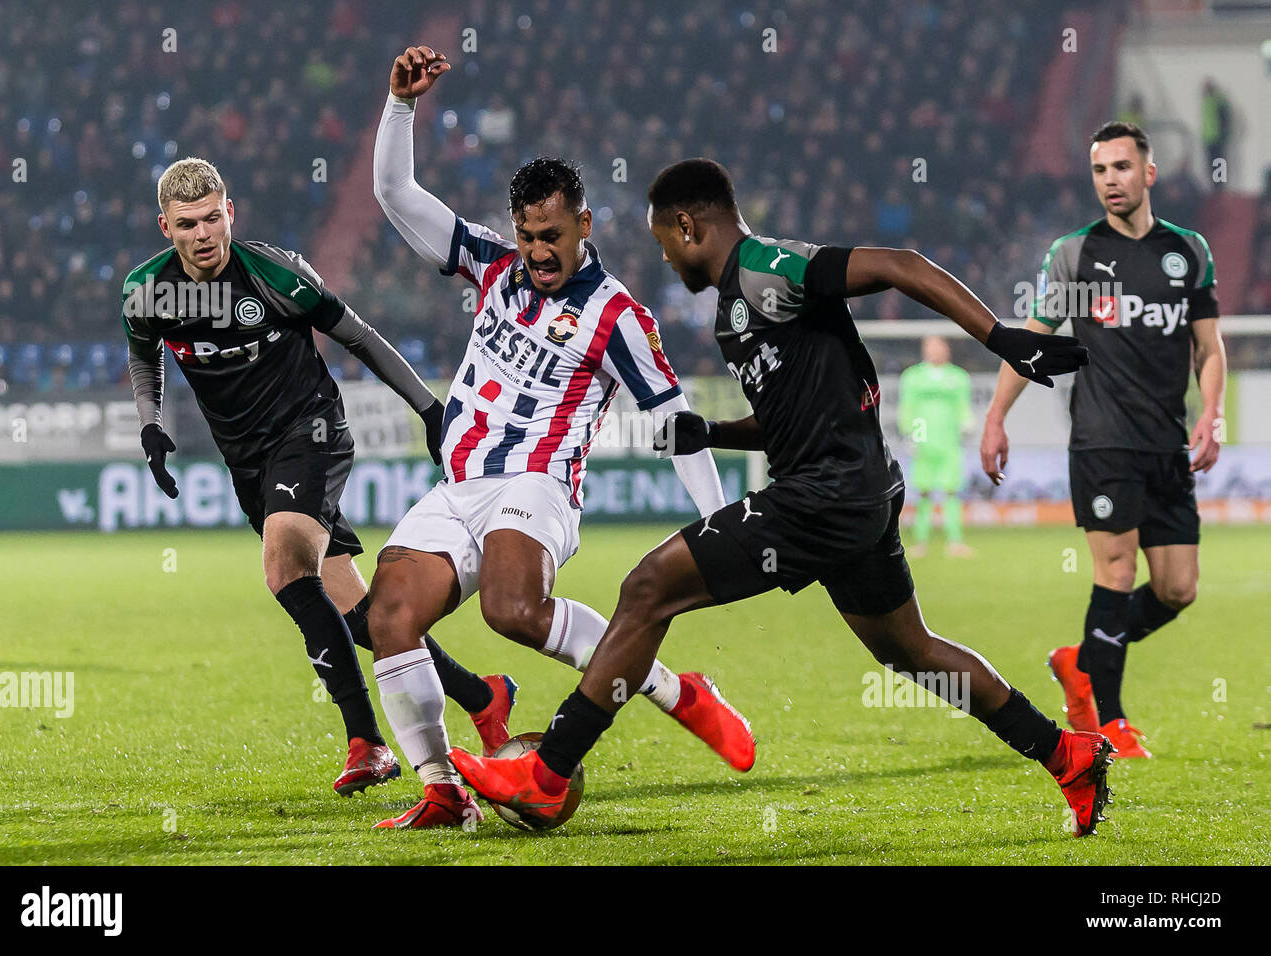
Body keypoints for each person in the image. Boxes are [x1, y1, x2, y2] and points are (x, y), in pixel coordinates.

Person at [450, 157, 1116, 838]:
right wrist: (709, 431)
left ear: (688, 225)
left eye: (663, 242)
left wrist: (1000, 339)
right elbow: (785, 420)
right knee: (910, 650)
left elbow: (900, 264)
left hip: (825, 493)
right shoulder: (734, 312)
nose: (665, 259)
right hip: (852, 492)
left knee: (649, 586)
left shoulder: (768, 267)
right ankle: (1068, 754)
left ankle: (549, 768)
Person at [365, 47, 754, 829]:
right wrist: (400, 106)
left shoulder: (616, 315)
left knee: (510, 611)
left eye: (551, 234)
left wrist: (715, 525)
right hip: (457, 486)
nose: (538, 251)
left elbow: (676, 426)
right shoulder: (492, 263)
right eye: (527, 234)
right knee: (388, 617)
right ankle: (446, 792)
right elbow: (393, 191)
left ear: (583, 223)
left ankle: (676, 691)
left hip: (537, 484)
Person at [123, 156, 444, 796]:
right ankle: (482, 696)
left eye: (214, 217)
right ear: (166, 227)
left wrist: (429, 408)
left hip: (311, 431)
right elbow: (143, 352)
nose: (204, 234)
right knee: (357, 615)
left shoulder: (275, 275)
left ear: (230, 213)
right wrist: (150, 423)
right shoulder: (148, 291)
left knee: (284, 570)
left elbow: (361, 337)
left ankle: (367, 743)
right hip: (248, 460)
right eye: (188, 223)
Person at [980, 122, 1226, 758]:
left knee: (1178, 589)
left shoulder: (1188, 251)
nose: (1110, 180)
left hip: (1167, 445)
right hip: (1102, 442)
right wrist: (995, 416)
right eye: (1099, 170)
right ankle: (1109, 722)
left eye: (1121, 167)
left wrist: (1212, 413)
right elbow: (1032, 337)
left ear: (1148, 173)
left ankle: (1083, 660)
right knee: (1115, 573)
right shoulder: (1075, 254)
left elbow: (1209, 345)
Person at [898, 335, 974, 557]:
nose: (935, 351)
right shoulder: (912, 377)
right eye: (930, 347)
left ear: (947, 350)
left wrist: (967, 423)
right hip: (923, 441)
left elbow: (963, 406)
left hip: (949, 441)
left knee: (952, 491)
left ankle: (955, 541)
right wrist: (909, 434)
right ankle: (920, 542)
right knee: (923, 491)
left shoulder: (958, 377)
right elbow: (907, 407)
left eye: (939, 346)